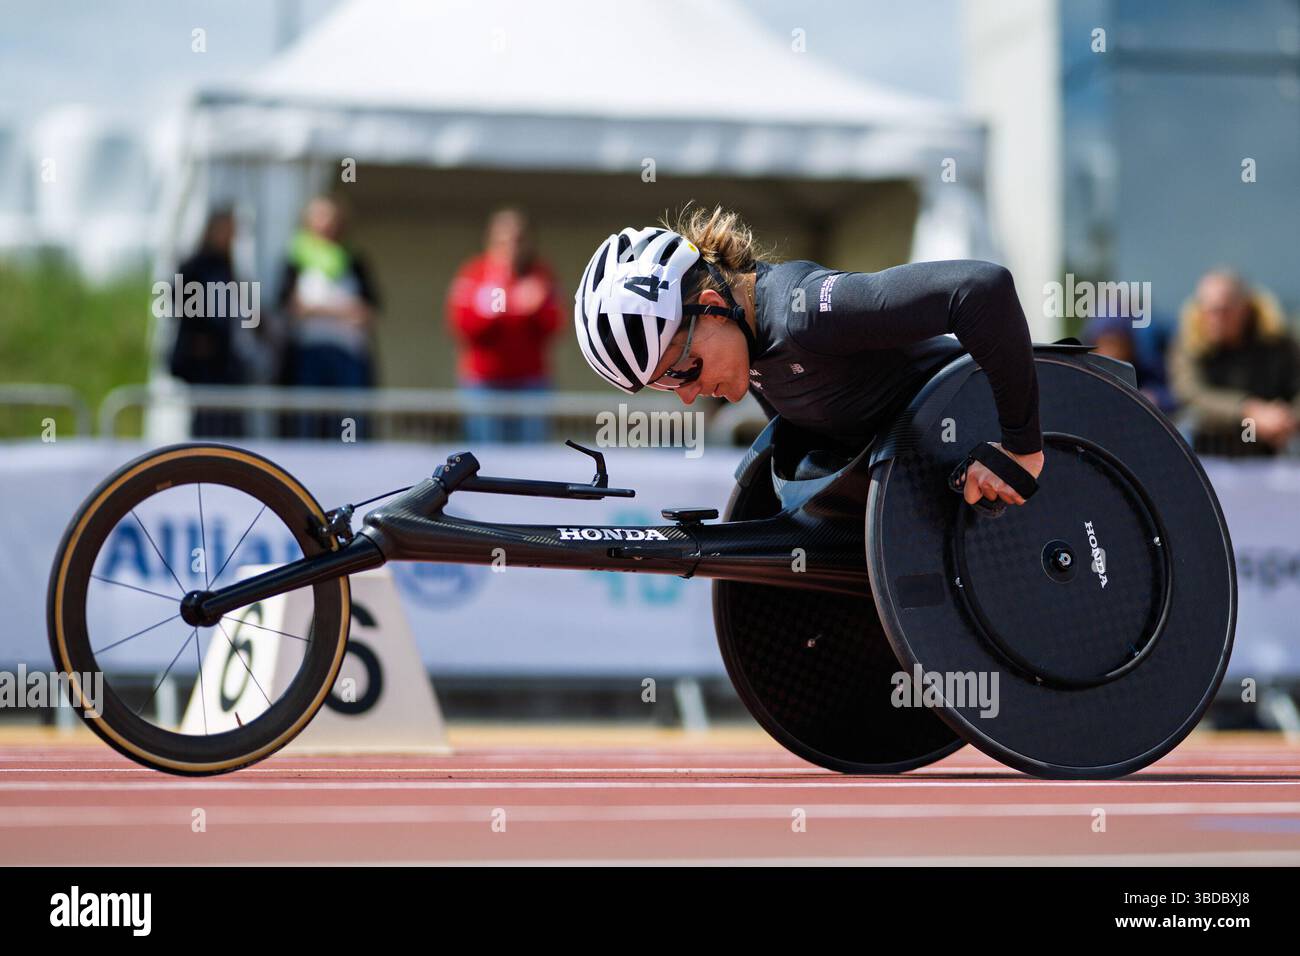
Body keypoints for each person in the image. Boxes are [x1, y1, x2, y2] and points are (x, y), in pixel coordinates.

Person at [574, 205, 1044, 509]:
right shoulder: (748, 352)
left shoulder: (808, 311)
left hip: (1014, 461)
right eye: (667, 383)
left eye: (683, 370)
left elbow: (982, 289)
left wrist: (1023, 448)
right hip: (949, 501)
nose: (688, 396)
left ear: (714, 310)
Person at [446, 207, 560, 443]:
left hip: (530, 383)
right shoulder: (474, 274)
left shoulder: (541, 274)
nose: (511, 247)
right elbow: (464, 326)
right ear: (490, 240)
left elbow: (554, 324)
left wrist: (531, 309)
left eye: (518, 239)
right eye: (503, 240)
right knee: (486, 460)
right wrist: (511, 303)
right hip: (484, 383)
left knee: (531, 462)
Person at [278, 196, 381, 438]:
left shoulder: (354, 260)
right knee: (308, 421)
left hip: (348, 356)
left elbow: (369, 311)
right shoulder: (295, 259)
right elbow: (291, 308)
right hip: (309, 355)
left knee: (350, 423)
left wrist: (318, 309)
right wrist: (343, 310)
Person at [1168, 269, 1299, 457]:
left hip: (1275, 455)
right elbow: (1189, 394)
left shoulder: (1277, 341)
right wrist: (1247, 411)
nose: (1214, 318)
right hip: (1208, 456)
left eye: (1223, 310)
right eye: (1207, 310)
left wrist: (1287, 419)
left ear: (1244, 308)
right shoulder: (1188, 342)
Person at [167, 208, 246, 437]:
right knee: (206, 421)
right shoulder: (196, 265)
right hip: (203, 362)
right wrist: (198, 336)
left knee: (227, 422)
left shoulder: (226, 267)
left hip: (224, 362)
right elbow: (176, 298)